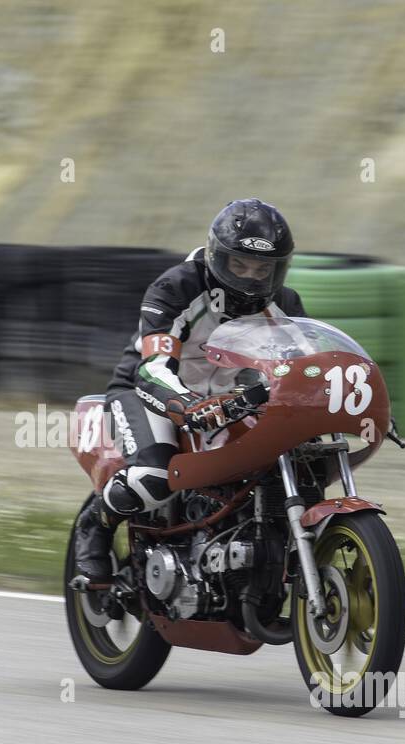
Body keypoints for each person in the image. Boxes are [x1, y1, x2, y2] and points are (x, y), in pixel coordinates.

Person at [72, 199, 308, 583]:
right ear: (218, 257)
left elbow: (307, 366)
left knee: (292, 463)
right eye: (240, 265)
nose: (251, 278)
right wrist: (186, 404)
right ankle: (95, 524)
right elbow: (153, 367)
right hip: (150, 392)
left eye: (263, 269)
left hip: (231, 401)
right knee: (153, 476)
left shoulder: (285, 303)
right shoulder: (177, 287)